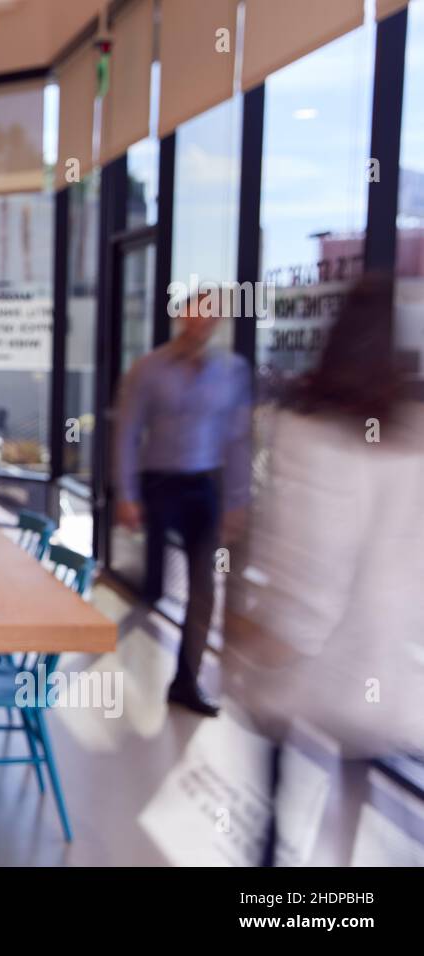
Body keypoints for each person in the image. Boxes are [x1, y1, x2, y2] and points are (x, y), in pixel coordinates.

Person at [222, 273, 424, 862]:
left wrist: (252, 641)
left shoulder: (309, 435)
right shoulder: (412, 437)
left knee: (275, 824)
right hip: (384, 669)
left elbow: (311, 581)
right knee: (353, 821)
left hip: (305, 669)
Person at [114, 288, 252, 717]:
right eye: (195, 315)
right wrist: (127, 494)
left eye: (210, 318)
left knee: (203, 586)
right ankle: (146, 601)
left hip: (204, 485)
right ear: (182, 317)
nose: (201, 324)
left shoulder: (231, 372)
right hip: (160, 485)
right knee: (155, 581)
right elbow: (127, 433)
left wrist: (236, 499)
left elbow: (238, 440)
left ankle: (186, 681)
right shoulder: (148, 369)